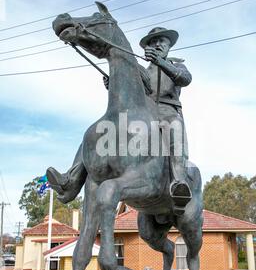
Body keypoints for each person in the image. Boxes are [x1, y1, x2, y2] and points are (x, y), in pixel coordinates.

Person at [47, 27, 192, 214]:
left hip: (166, 112)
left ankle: (179, 182)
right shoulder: (140, 70)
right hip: (142, 113)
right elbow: (131, 93)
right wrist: (112, 84)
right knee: (98, 133)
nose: (157, 44)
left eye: (161, 41)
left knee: (175, 127)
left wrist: (161, 62)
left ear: (168, 45)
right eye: (152, 41)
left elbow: (185, 79)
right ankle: (71, 180)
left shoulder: (176, 65)